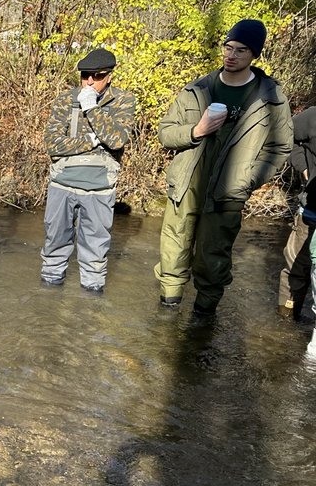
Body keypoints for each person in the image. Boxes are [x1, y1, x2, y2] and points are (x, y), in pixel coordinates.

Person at [155, 19, 293, 315]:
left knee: (213, 258)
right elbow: (166, 132)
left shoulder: (270, 98)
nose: (231, 55)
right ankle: (167, 313)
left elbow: (280, 147)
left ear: (254, 55)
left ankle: (202, 323)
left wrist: (247, 180)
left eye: (240, 50)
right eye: (227, 47)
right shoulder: (197, 88)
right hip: (187, 183)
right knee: (173, 250)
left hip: (228, 192)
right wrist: (196, 130)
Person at [39, 48, 137, 292]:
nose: (89, 81)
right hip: (62, 182)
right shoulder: (65, 99)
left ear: (109, 76)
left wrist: (92, 109)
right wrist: (93, 141)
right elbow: (52, 144)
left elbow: (116, 140)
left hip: (100, 188)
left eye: (97, 75)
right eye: (85, 75)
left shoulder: (124, 101)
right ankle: (48, 301)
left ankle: (90, 305)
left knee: (95, 252)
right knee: (54, 244)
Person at [276, 107, 316, 318]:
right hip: (311, 212)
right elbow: (286, 136)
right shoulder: (312, 116)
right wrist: (304, 168)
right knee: (295, 273)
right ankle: (286, 322)